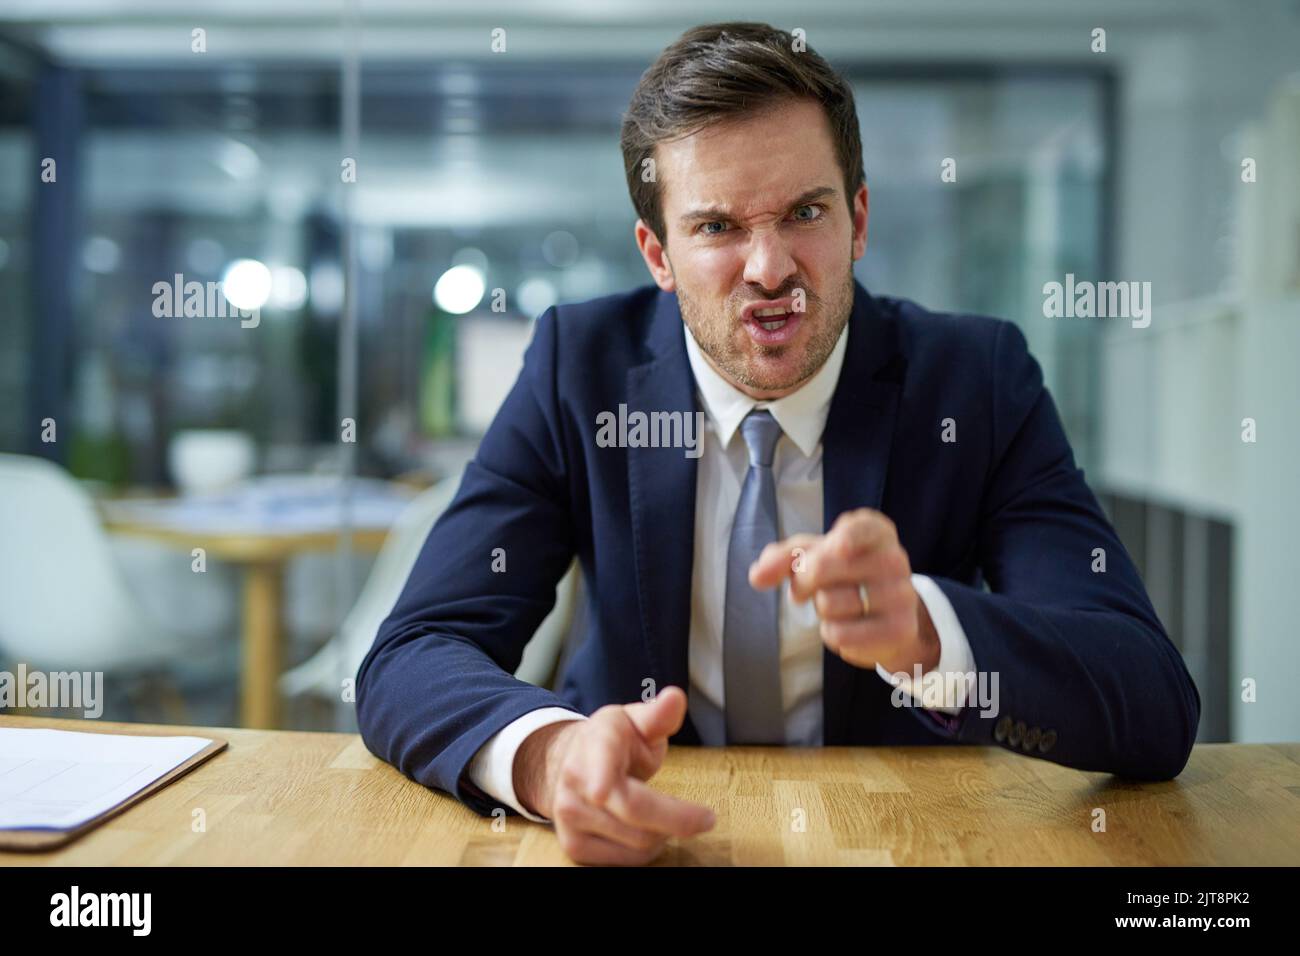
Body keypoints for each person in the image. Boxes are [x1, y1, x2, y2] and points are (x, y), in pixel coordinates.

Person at [357, 21, 1201, 865]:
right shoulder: (578, 370)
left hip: (896, 841)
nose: (769, 269)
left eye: (805, 212)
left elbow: (1152, 703)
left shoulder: (974, 380)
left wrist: (931, 632)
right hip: (640, 840)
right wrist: (552, 759)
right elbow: (414, 652)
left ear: (859, 219)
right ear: (658, 253)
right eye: (718, 227)